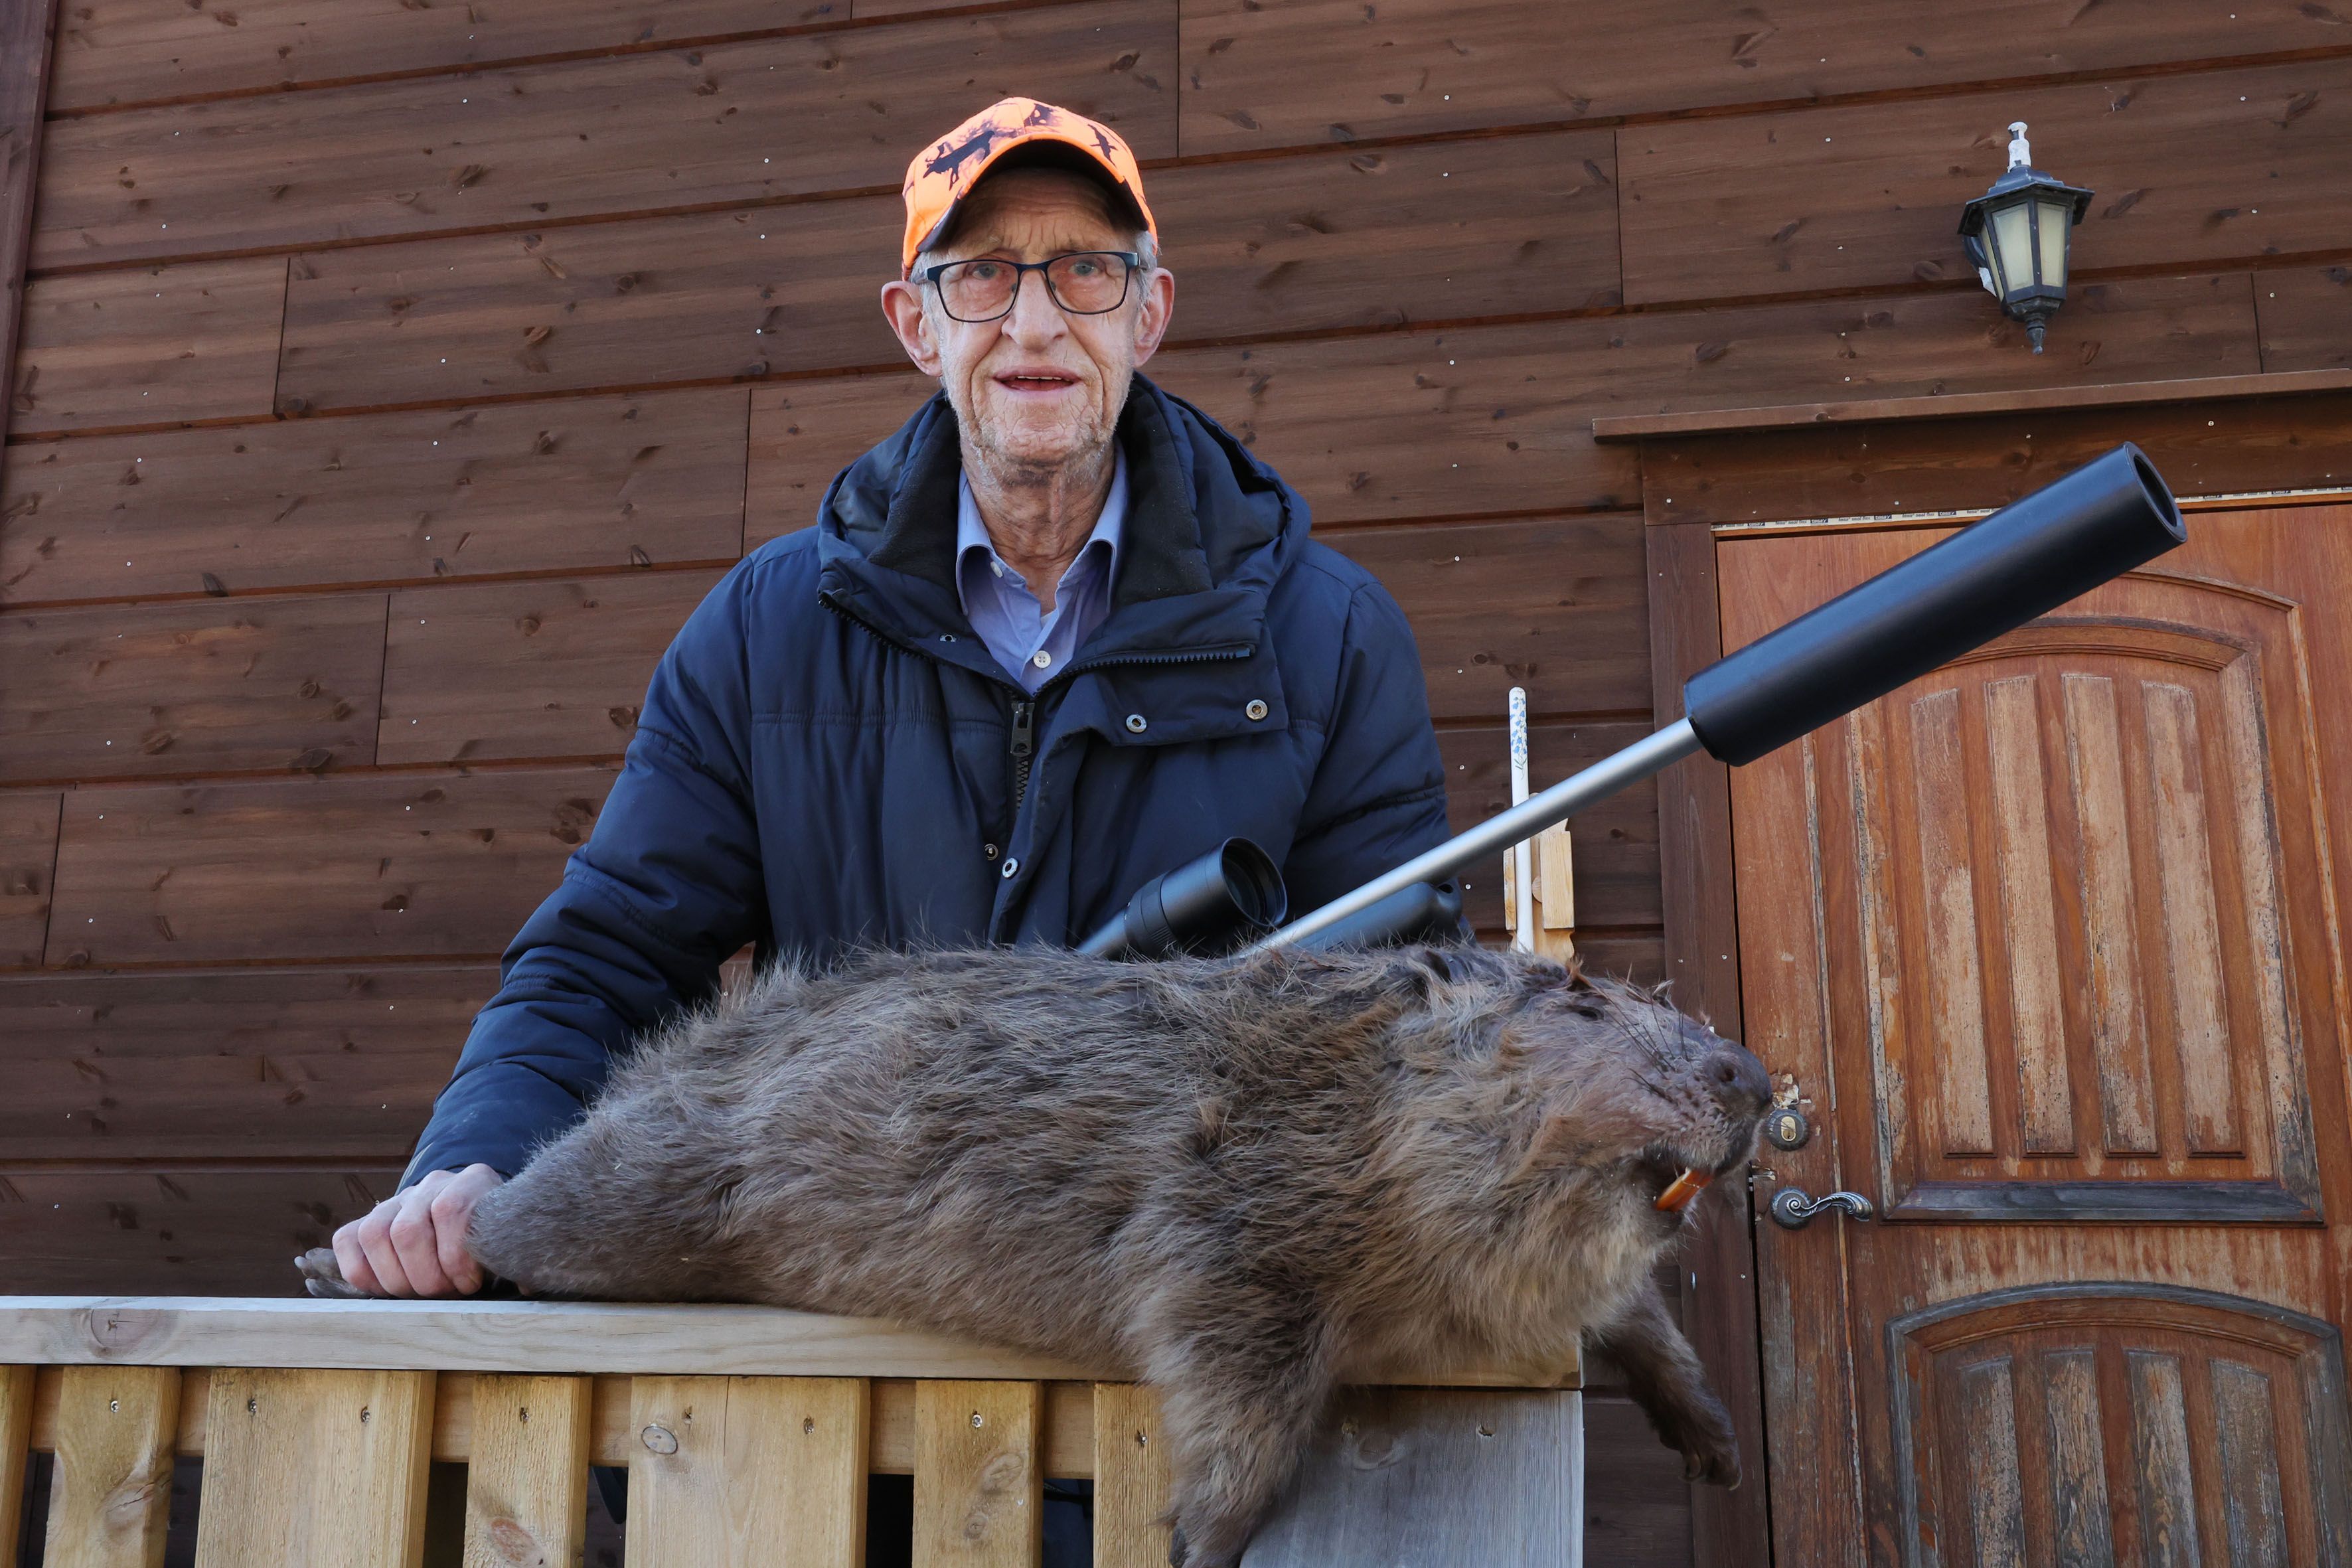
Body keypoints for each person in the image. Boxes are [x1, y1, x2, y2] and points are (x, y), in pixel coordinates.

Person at [331, 95, 1450, 1298]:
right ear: (916, 325)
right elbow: (603, 966)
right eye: (980, 276)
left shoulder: (1327, 634)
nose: (1033, 322)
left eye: (1084, 270)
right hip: (837, 1379)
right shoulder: (766, 631)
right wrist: (478, 1159)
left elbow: (1410, 1010)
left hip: (1166, 1364)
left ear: (1149, 312)